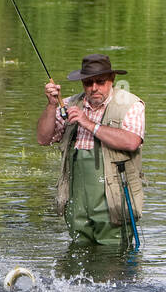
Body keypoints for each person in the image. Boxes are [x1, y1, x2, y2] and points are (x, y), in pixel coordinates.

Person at [36, 54, 145, 246]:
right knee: (77, 253)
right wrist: (52, 106)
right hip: (77, 206)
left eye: (100, 82)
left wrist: (88, 123)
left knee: (113, 258)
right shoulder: (69, 104)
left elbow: (131, 142)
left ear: (112, 80)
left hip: (115, 205)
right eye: (88, 83)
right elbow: (43, 139)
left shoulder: (131, 105)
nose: (93, 88)